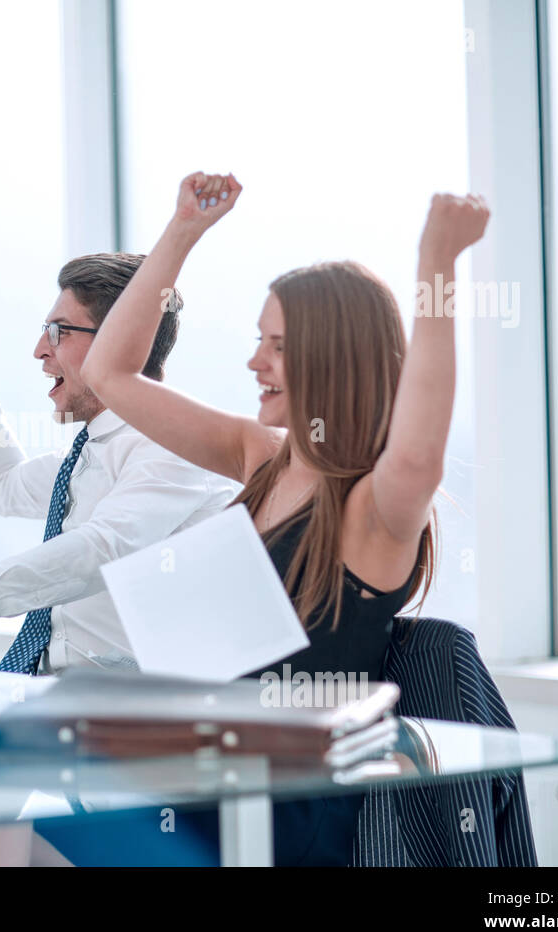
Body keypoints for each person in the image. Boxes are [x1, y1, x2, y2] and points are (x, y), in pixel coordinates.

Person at [75, 171, 490, 865]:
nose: (253, 362)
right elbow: (110, 374)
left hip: (283, 818)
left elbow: (418, 458)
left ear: (333, 357)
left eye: (278, 346)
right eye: (258, 339)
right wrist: (182, 231)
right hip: (202, 779)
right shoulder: (263, 455)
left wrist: (437, 266)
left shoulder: (371, 513)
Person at [0, 252, 236, 866]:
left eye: (61, 331)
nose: (40, 348)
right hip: (67, 720)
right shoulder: (94, 450)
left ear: (123, 341)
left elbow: (98, 548)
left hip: (139, 738)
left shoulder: (173, 446)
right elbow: (3, 484)